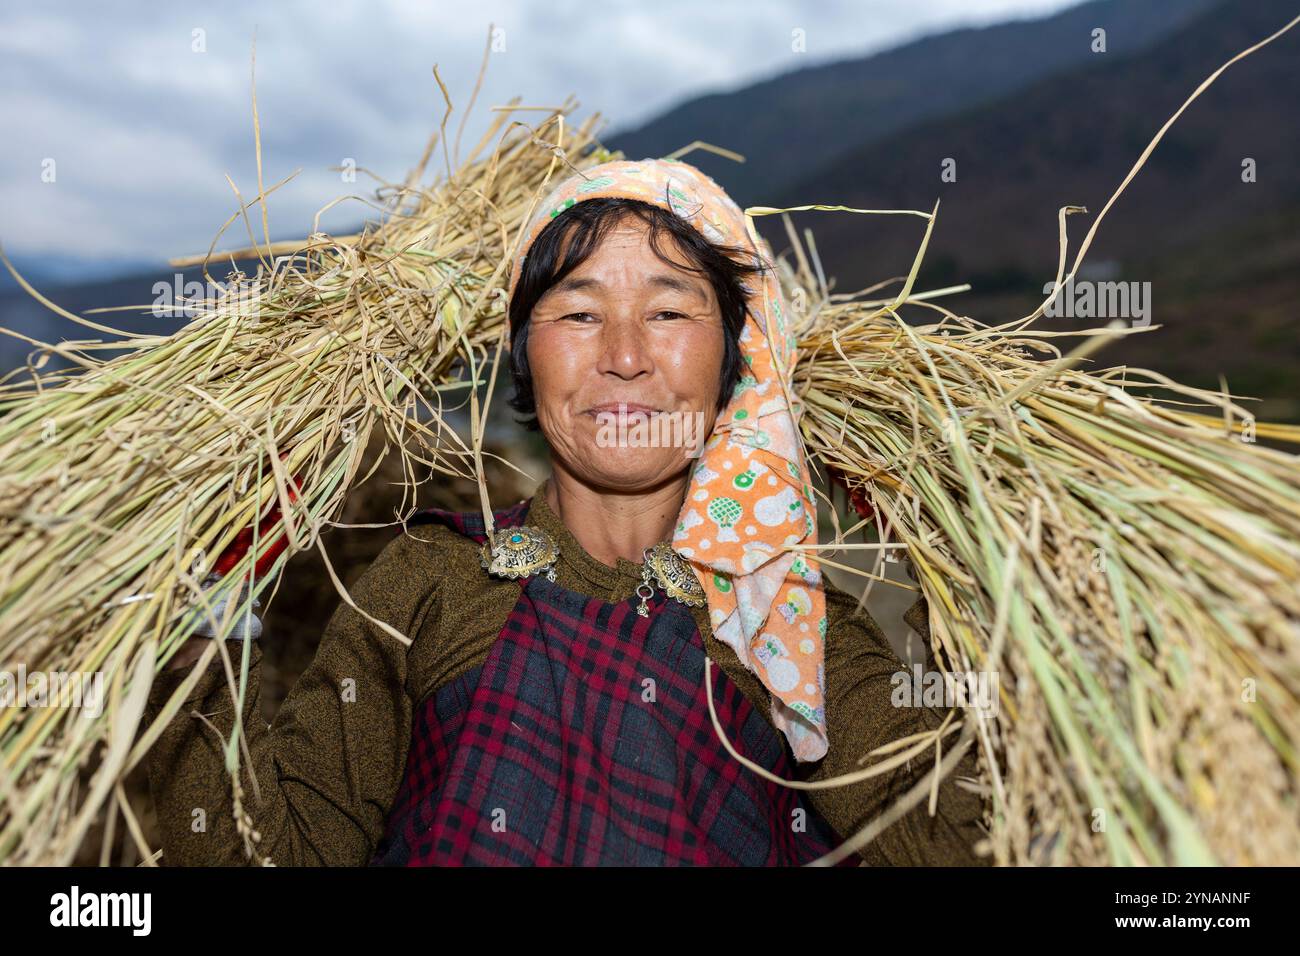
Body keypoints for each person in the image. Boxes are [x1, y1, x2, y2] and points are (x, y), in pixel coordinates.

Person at [144, 157, 989, 866]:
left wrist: (965, 568)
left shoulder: (792, 629)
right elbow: (268, 852)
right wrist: (203, 610)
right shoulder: (431, 584)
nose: (623, 357)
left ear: (737, 360)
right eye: (579, 313)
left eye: (667, 312)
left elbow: (961, 840)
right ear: (525, 354)